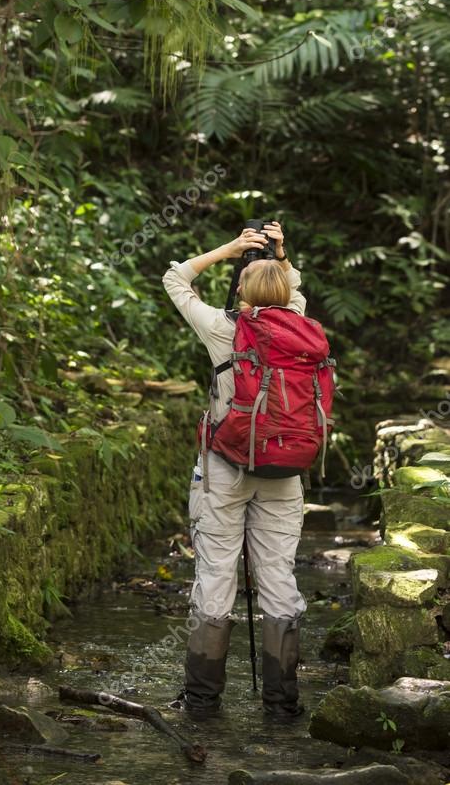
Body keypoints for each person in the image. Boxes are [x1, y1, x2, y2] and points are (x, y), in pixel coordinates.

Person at [162, 222, 308, 721]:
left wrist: (228, 250)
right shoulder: (301, 325)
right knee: (279, 580)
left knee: (216, 577)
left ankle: (202, 702)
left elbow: (175, 279)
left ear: (241, 289)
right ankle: (282, 705)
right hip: (285, 471)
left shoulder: (222, 328)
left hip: (225, 468)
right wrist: (280, 255)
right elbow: (294, 288)